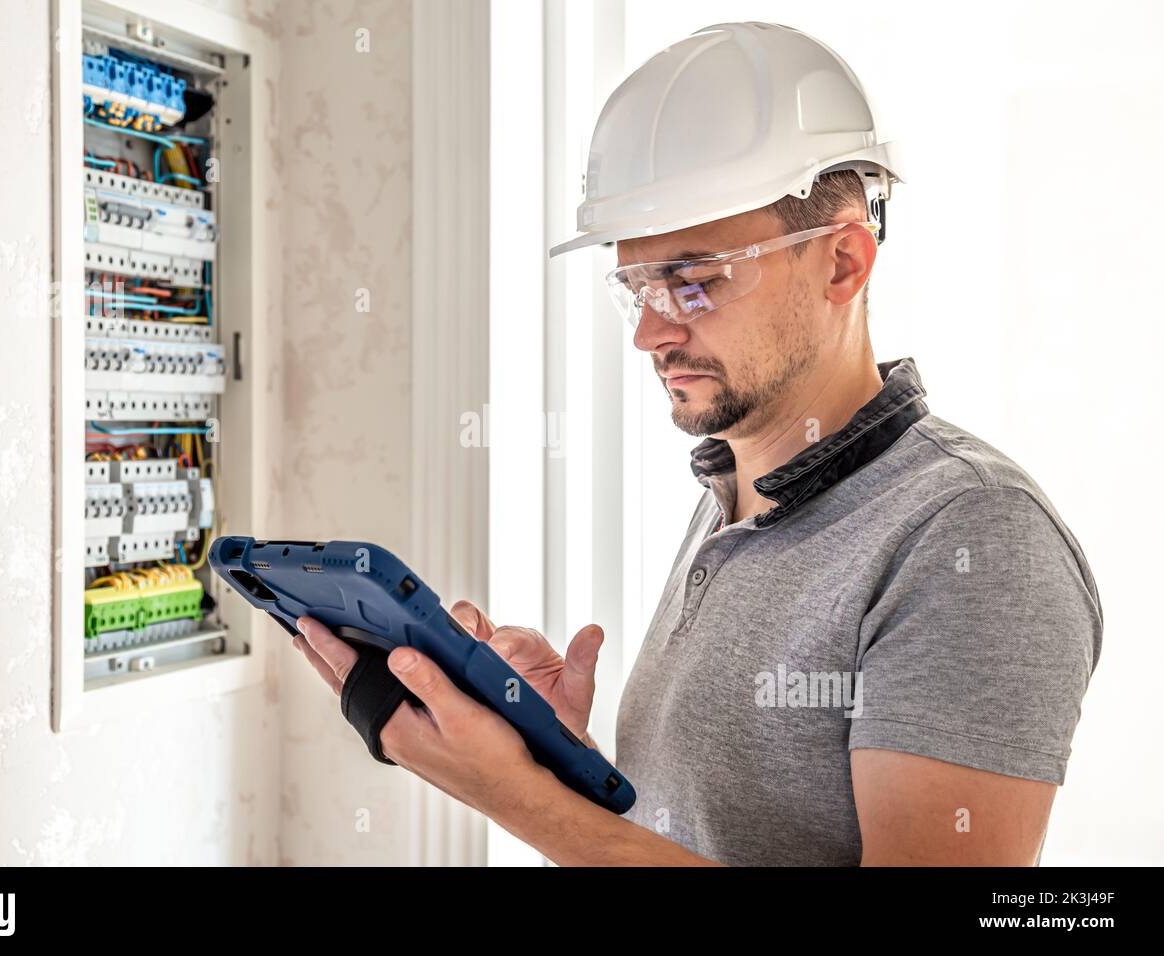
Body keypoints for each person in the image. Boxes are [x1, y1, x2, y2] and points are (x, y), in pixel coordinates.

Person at [290, 22, 1102, 866]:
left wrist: (517, 800)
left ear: (843, 263)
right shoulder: (734, 492)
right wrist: (549, 764)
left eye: (693, 281)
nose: (649, 331)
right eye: (637, 284)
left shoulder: (971, 534)